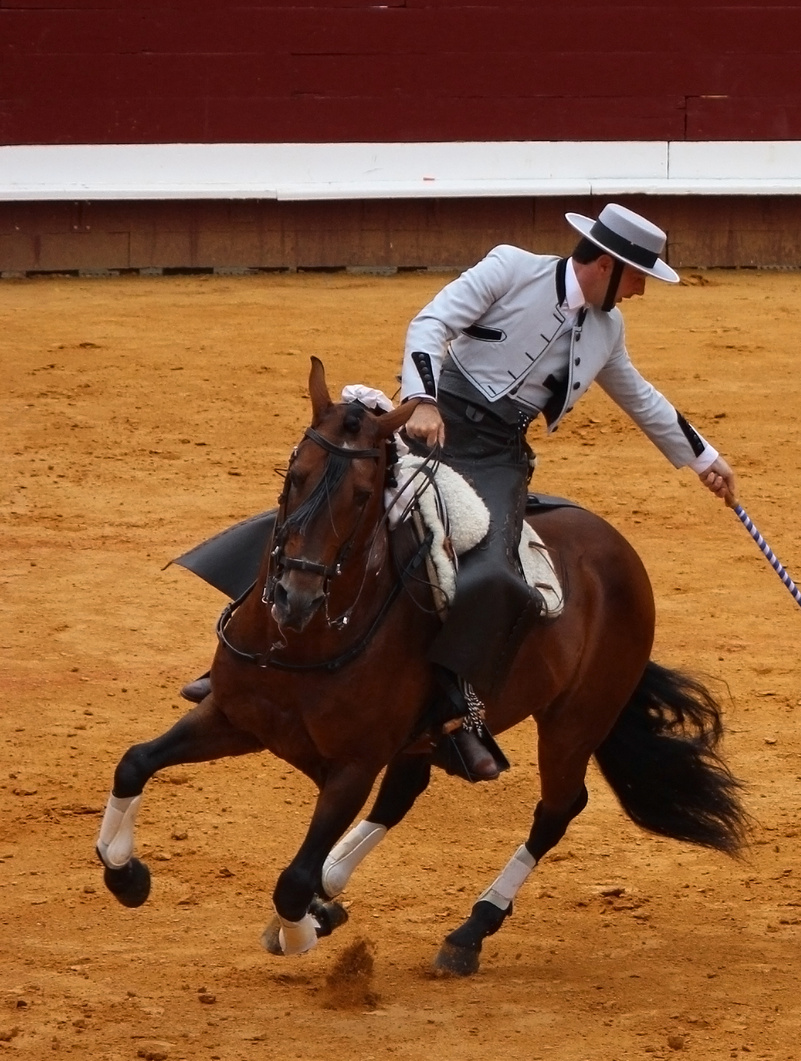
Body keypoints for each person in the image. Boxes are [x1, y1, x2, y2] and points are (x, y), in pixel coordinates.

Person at [182, 204, 737, 781]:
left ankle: (454, 710)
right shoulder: (510, 268)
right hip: (433, 421)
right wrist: (421, 399)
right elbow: (430, 324)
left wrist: (705, 460)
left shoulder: (607, 328)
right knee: (327, 509)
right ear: (608, 264)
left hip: (497, 457)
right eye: (639, 276)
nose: (641, 291)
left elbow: (640, 396)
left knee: (492, 572)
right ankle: (241, 661)